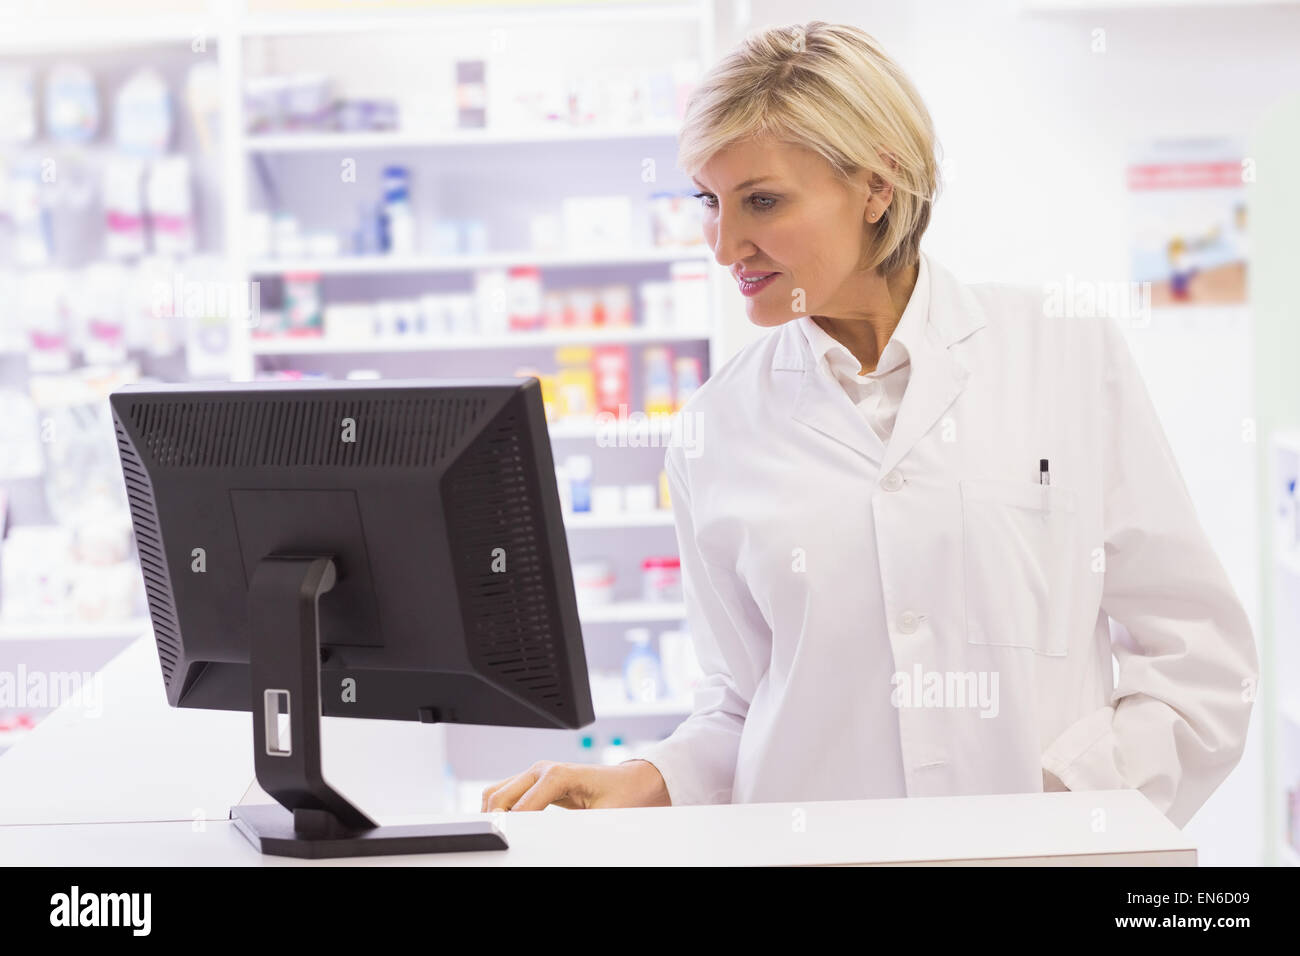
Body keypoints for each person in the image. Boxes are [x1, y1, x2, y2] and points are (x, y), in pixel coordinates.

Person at [482, 21, 1257, 828]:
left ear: (879, 184)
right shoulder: (716, 426)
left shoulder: (1061, 352)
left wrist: (1068, 806)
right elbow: (742, 704)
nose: (724, 246)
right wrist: (646, 776)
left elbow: (1196, 656)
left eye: (763, 201)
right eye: (708, 203)